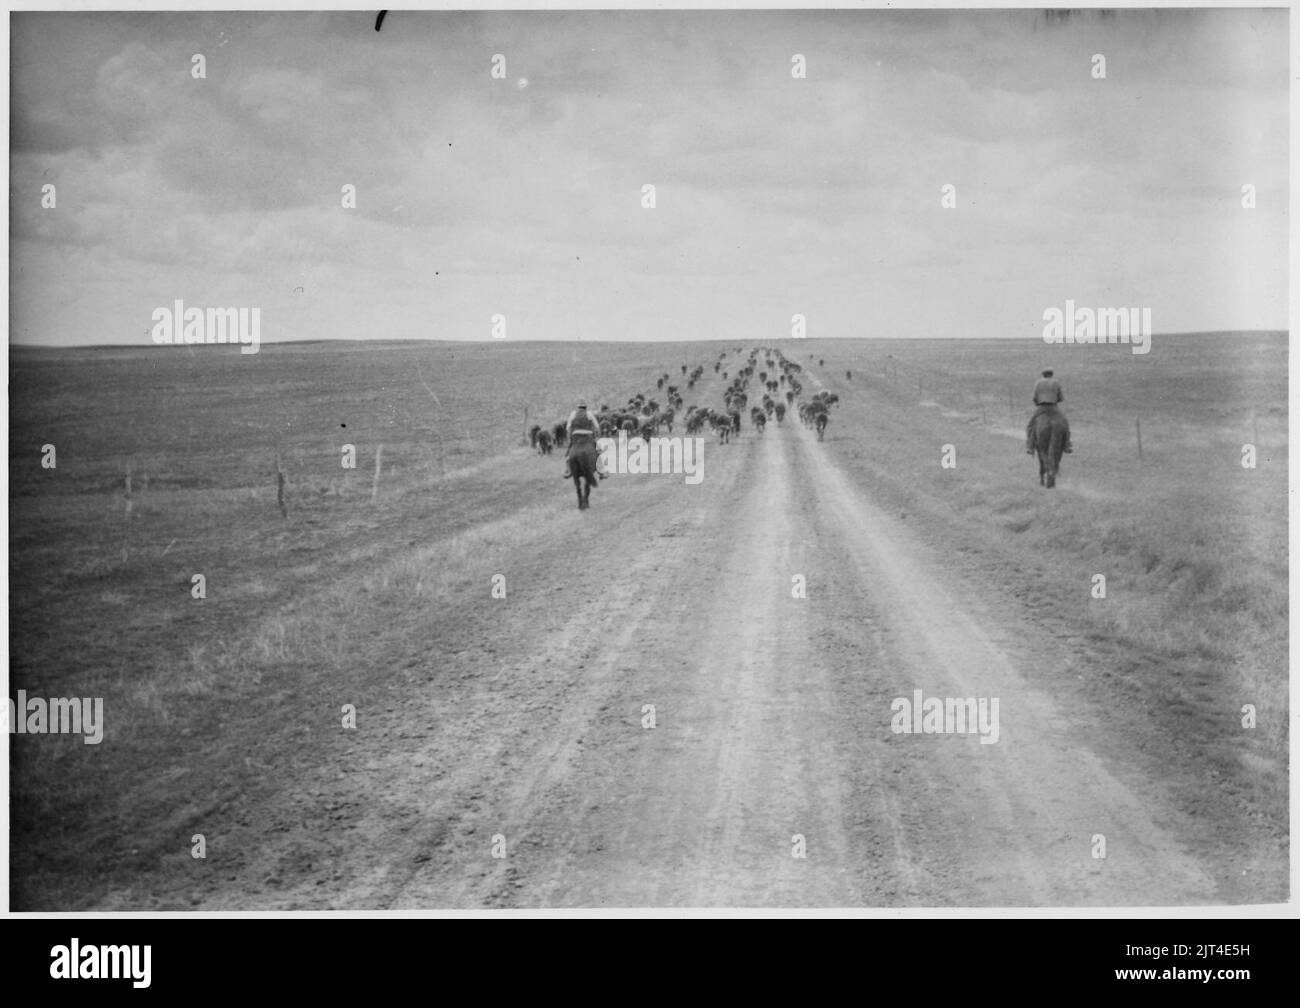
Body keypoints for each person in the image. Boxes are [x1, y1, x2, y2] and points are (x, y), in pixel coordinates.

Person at [1025, 369, 1072, 454]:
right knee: (1065, 423)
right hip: (1053, 408)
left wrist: (1038, 402)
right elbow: (1061, 398)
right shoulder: (1056, 382)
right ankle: (1067, 445)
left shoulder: (1038, 383)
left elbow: (1034, 398)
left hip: (1042, 407)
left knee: (1030, 426)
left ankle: (1030, 447)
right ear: (1051, 374)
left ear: (1043, 374)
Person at [562, 402, 603, 479]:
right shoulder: (589, 414)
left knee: (568, 453)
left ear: (578, 407)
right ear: (585, 407)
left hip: (576, 437)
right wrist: (598, 436)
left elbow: (568, 428)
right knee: (598, 452)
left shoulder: (573, 414)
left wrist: (569, 439)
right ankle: (601, 472)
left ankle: (567, 471)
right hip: (588, 437)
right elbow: (597, 427)